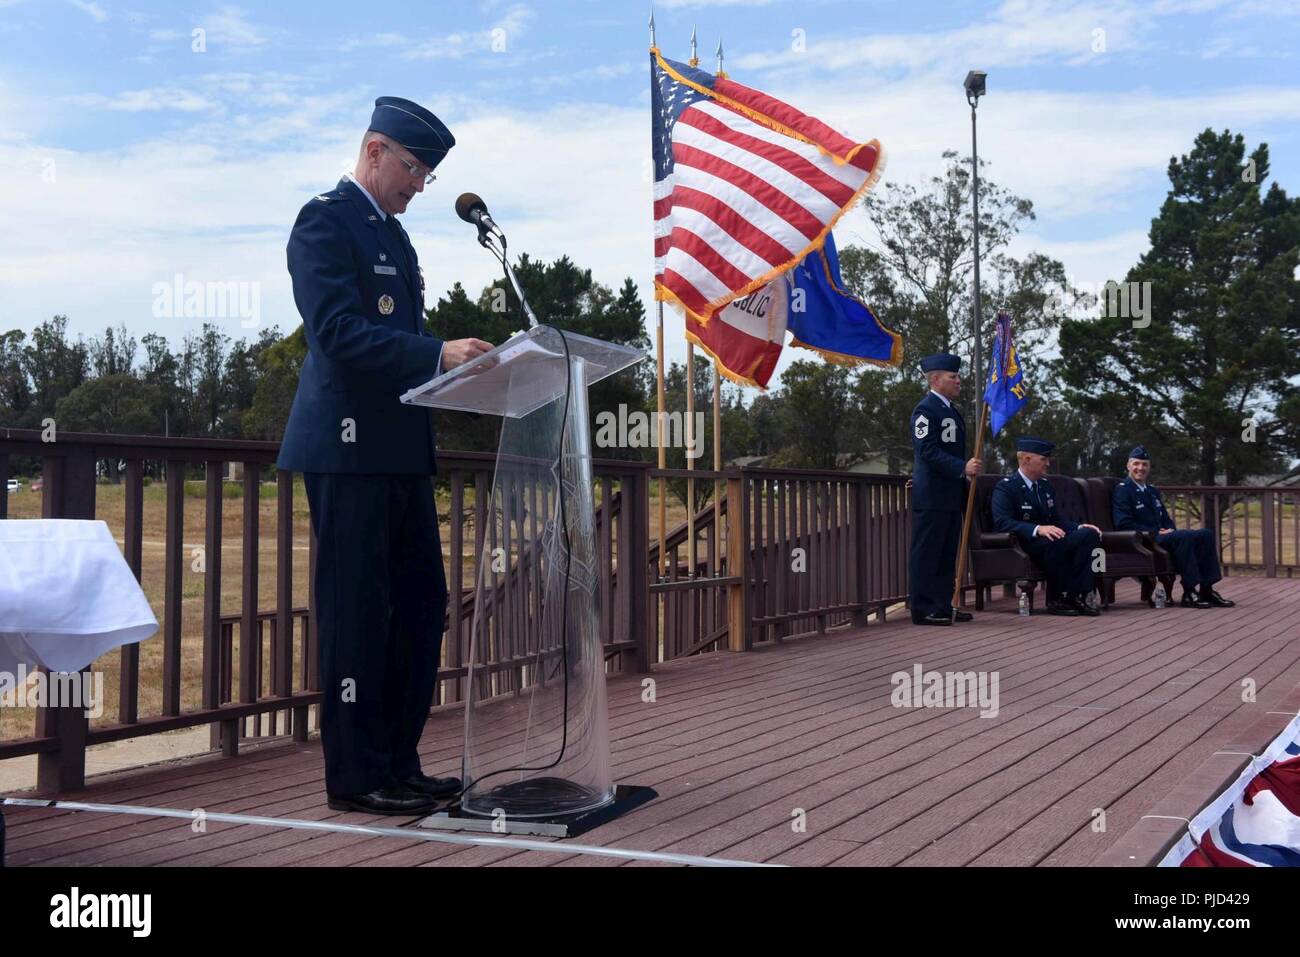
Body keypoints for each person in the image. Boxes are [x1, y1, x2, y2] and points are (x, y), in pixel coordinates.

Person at [278, 96, 494, 815]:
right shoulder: (323, 221)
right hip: (347, 451)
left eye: (428, 175)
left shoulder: (395, 238)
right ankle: (356, 774)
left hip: (402, 451)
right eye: (413, 168)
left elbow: (403, 349)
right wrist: (436, 351)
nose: (419, 185)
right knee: (356, 613)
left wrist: (461, 370)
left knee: (421, 605)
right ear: (374, 151)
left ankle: (399, 762)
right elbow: (337, 332)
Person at [908, 353, 982, 626]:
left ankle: (942, 605)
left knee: (947, 551)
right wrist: (962, 467)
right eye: (953, 377)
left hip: (950, 495)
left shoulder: (951, 410)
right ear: (936, 379)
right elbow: (926, 450)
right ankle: (923, 608)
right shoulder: (924, 411)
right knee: (927, 552)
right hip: (932, 495)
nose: (958, 381)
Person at [1112, 445, 1234, 609]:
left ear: (1149, 467)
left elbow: (1166, 519)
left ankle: (1207, 589)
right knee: (1183, 537)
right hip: (1143, 539)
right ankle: (1189, 592)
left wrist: (1169, 529)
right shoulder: (1123, 491)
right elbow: (1123, 524)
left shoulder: (1152, 491)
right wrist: (1156, 532)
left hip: (1161, 536)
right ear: (1128, 465)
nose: (1140, 468)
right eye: (1136, 464)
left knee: (1205, 534)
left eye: (1144, 464)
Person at [990, 437, 1102, 617]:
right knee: (1056, 544)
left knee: (1089, 535)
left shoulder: (1044, 486)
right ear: (1026, 459)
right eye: (1044, 459)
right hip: (1025, 541)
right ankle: (1056, 599)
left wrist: (1079, 527)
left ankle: (1076, 595)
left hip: (1049, 539)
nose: (1048, 463)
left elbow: (1057, 520)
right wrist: (1037, 529)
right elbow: (1002, 522)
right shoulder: (1006, 488)